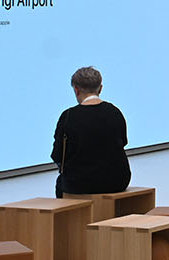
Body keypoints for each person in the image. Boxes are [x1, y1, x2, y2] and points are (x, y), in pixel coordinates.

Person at [51, 65, 129, 196]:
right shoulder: (114, 112)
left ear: (76, 90)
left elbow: (58, 155)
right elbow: (123, 142)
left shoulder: (68, 117)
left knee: (61, 183)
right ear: (100, 88)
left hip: (79, 184)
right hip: (117, 181)